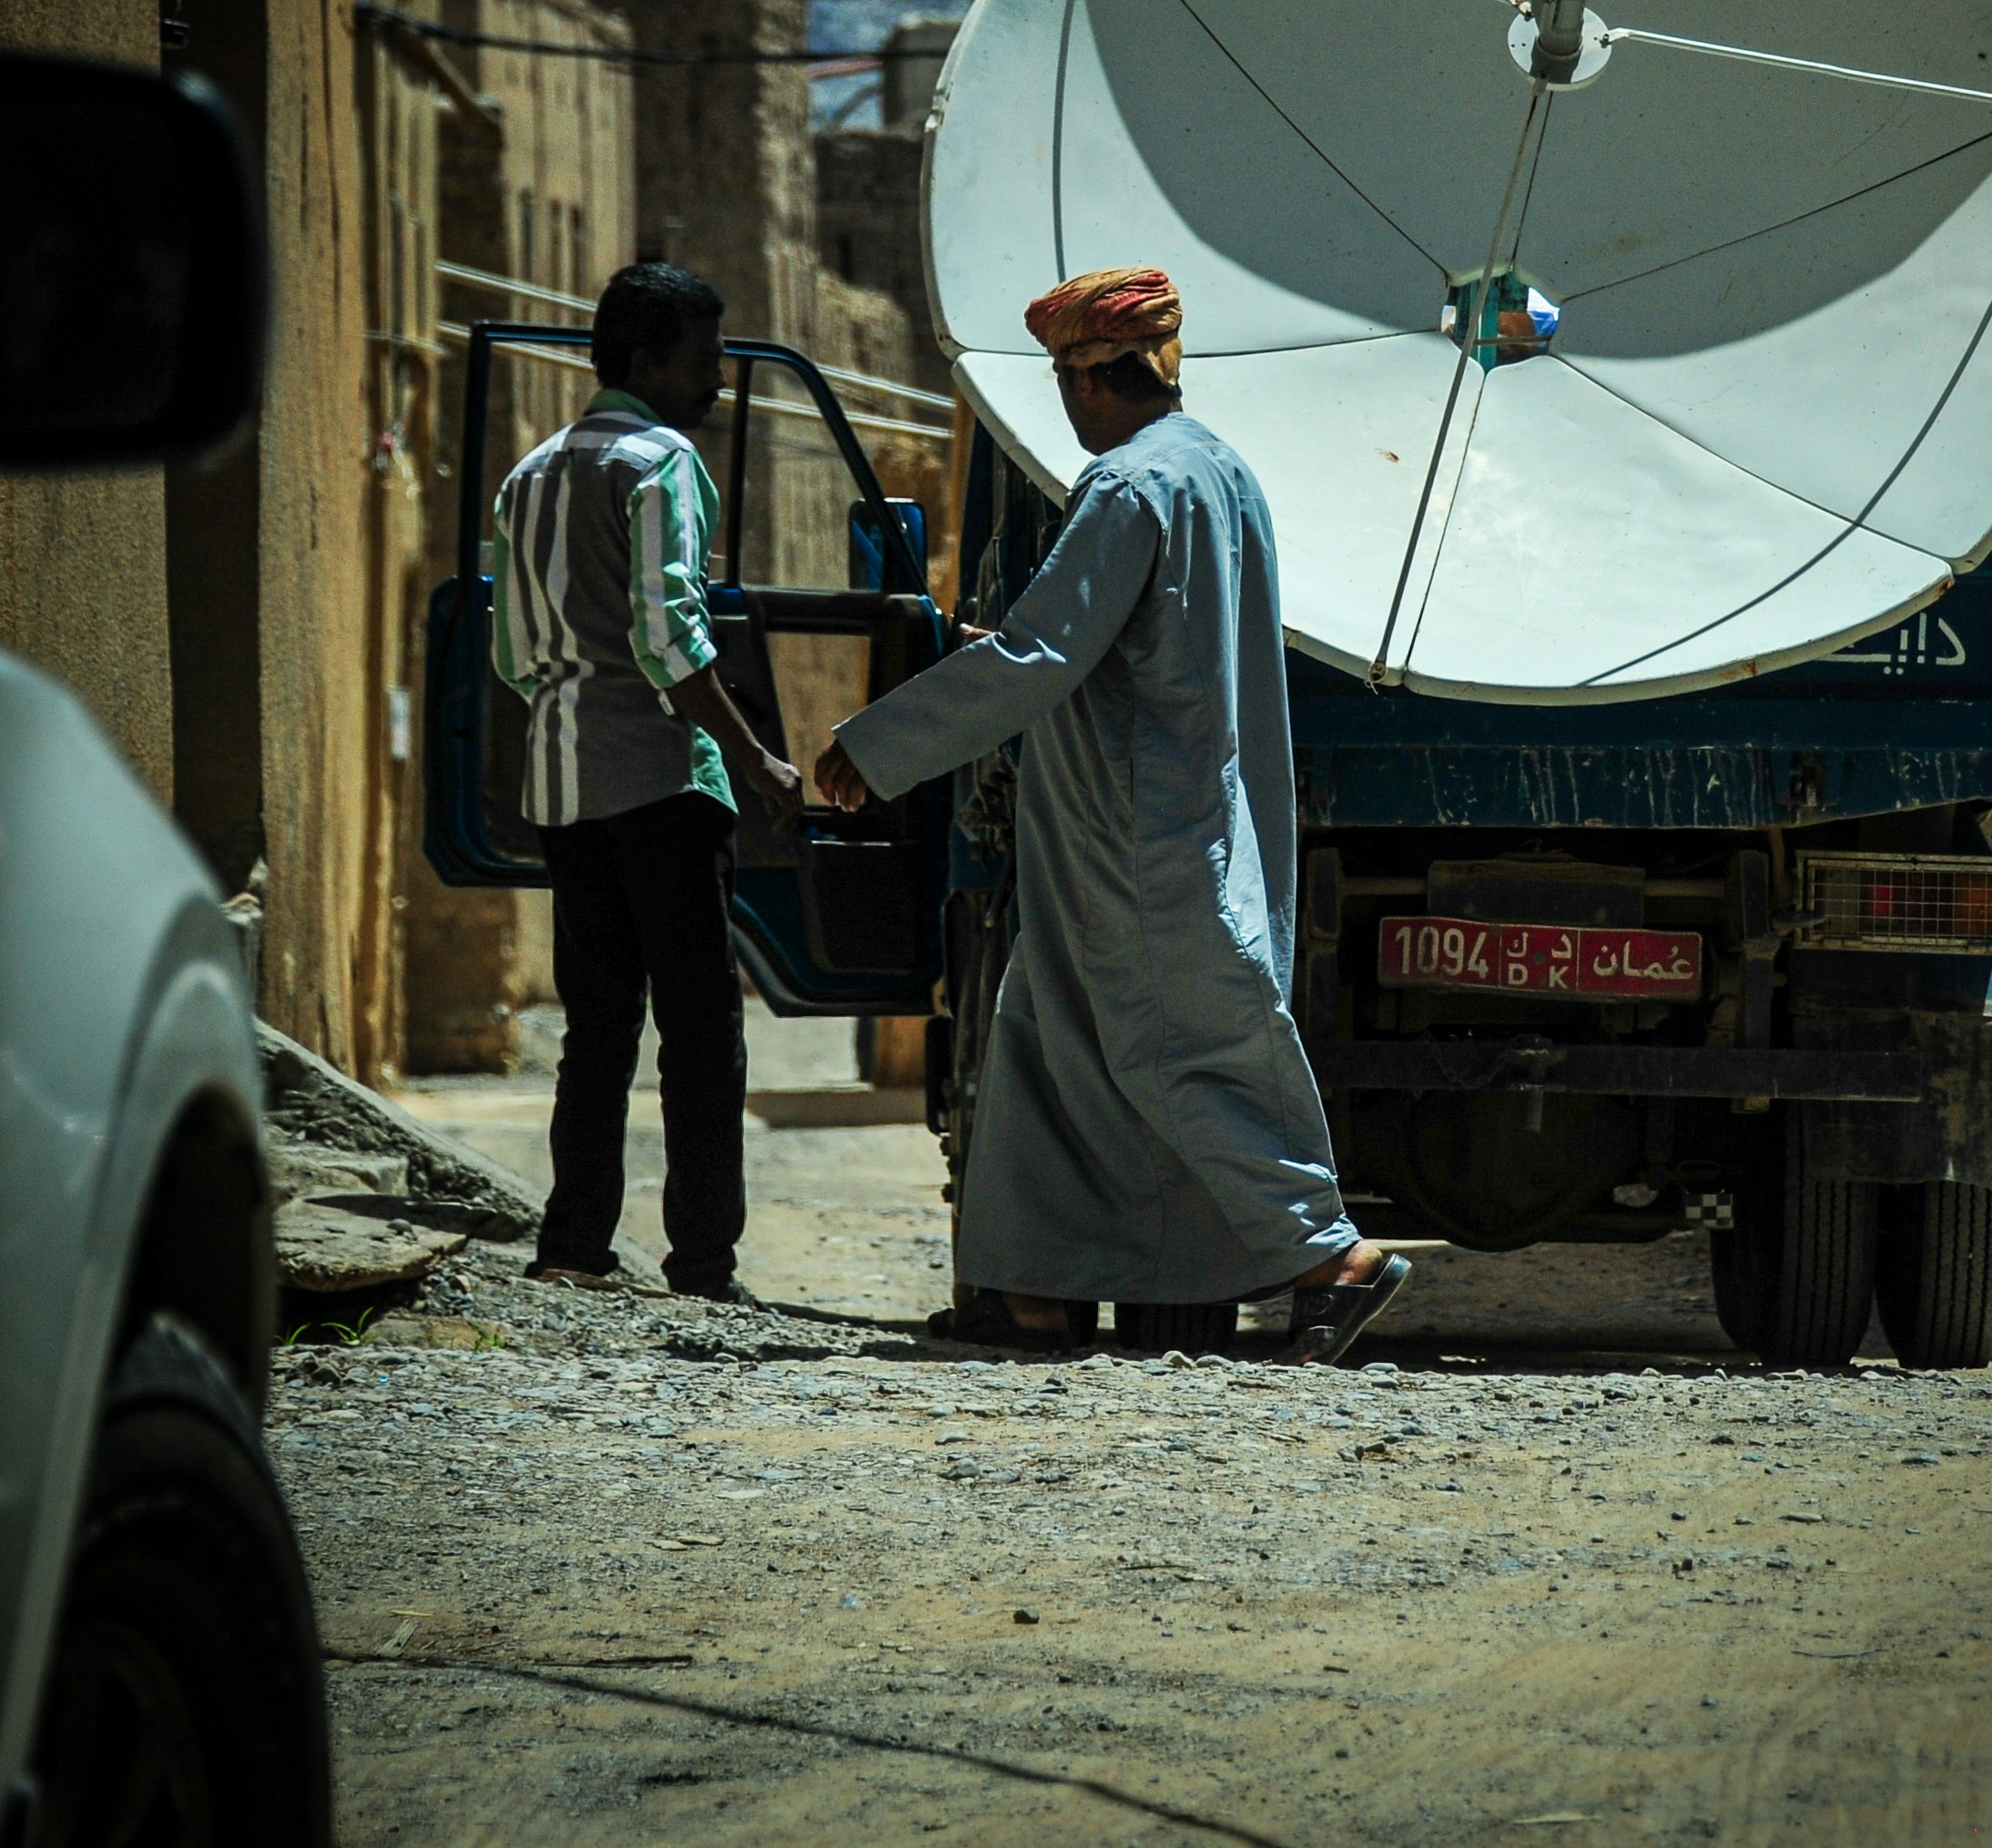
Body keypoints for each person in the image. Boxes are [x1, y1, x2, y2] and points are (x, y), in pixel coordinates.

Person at [812, 265, 1409, 1365]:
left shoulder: (1130, 488)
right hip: (1120, 834)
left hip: (1136, 841)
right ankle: (1033, 1297)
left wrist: (875, 745)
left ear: (1092, 377)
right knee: (1049, 1052)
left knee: (1176, 1061)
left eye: (1064, 379)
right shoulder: (1218, 470)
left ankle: (1333, 1260)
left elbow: (1039, 655)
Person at [491, 262, 801, 1302]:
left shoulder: (528, 474)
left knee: (598, 1024)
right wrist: (754, 758)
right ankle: (702, 1261)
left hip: (562, 786)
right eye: (702, 361)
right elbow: (671, 639)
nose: (716, 381)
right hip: (664, 784)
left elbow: (511, 655)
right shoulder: (659, 463)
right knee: (702, 1028)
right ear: (644, 362)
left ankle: (573, 1244)